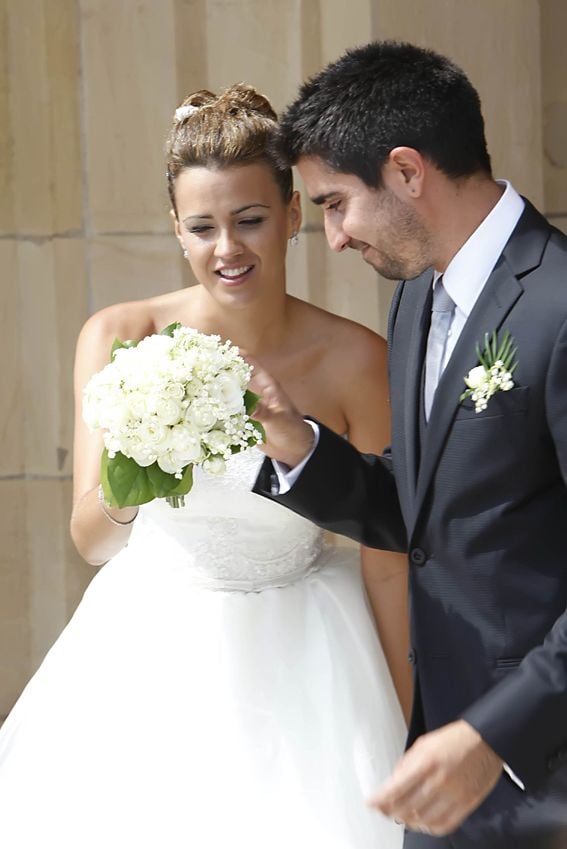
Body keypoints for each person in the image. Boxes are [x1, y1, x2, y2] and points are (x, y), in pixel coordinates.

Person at [0, 84, 408, 849]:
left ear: (292, 216)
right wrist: (142, 465)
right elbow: (91, 539)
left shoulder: (358, 360)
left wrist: (406, 714)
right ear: (177, 232)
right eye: (203, 226)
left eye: (250, 220)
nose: (228, 248)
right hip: (149, 649)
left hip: (309, 652)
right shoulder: (122, 333)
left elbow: (387, 554)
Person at [250, 41, 567, 849]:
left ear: (405, 171)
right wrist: (296, 446)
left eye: (332, 203)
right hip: (447, 765)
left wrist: (496, 733)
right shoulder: (417, 300)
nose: (332, 237)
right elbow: (425, 506)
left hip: (542, 772)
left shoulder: (559, 307)